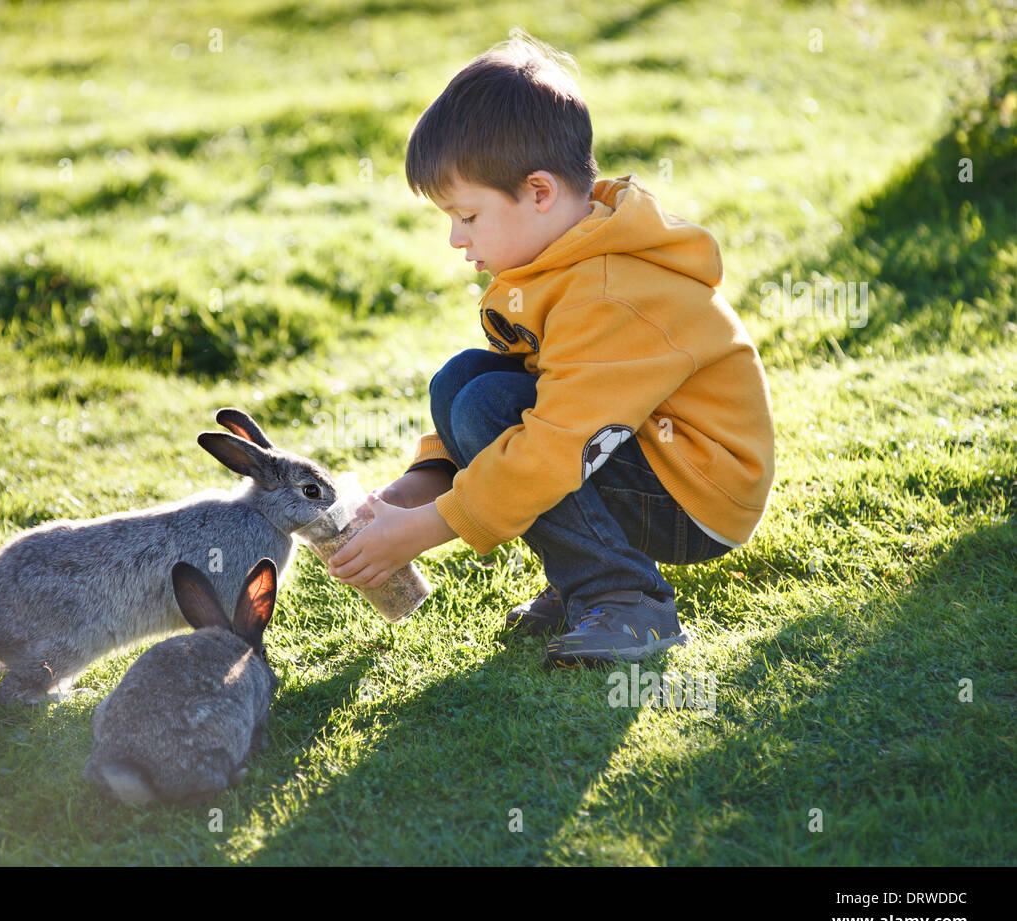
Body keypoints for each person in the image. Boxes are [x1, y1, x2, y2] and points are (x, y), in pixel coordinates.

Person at [327, 30, 775, 667]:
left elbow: (554, 443)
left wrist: (430, 528)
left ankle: (625, 600)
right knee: (463, 383)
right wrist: (418, 487)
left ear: (539, 192)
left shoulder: (605, 292)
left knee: (487, 405)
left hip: (698, 493)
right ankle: (584, 586)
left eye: (469, 216)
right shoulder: (560, 257)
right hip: (642, 452)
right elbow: (531, 388)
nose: (456, 239)